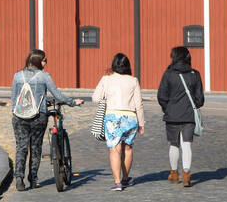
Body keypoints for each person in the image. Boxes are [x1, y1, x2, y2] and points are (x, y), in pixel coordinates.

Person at [9, 49, 82, 191]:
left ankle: (19, 178)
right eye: (44, 60)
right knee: (35, 147)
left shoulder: (17, 76)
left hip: (19, 117)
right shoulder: (43, 76)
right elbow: (58, 95)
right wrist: (73, 102)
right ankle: (33, 179)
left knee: (21, 147)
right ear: (37, 61)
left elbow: (14, 98)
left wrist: (16, 111)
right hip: (38, 117)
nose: (46, 62)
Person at [93, 53, 145, 191]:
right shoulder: (133, 80)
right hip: (130, 117)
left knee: (114, 149)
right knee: (127, 148)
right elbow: (138, 104)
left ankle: (117, 183)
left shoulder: (106, 79)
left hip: (113, 117)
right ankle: (125, 178)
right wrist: (141, 123)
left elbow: (95, 98)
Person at [157, 46, 205, 188]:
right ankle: (186, 175)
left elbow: (161, 96)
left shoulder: (168, 74)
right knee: (187, 144)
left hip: (172, 115)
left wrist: (168, 108)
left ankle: (173, 173)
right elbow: (200, 99)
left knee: (174, 145)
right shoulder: (195, 74)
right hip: (189, 115)